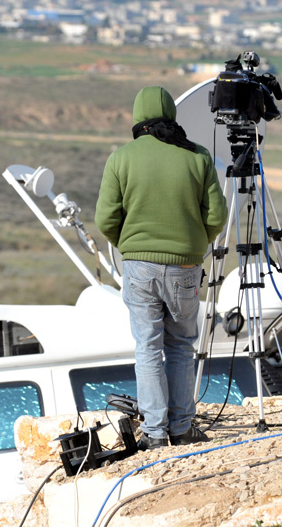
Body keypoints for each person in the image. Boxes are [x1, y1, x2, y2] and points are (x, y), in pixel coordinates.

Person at [96, 86, 228, 449]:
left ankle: (154, 433)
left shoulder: (121, 159)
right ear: (172, 114)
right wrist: (193, 244)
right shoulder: (197, 156)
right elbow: (216, 216)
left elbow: (105, 219)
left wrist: (131, 246)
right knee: (182, 345)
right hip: (185, 265)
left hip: (139, 266)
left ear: (137, 117)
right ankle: (181, 428)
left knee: (148, 347)